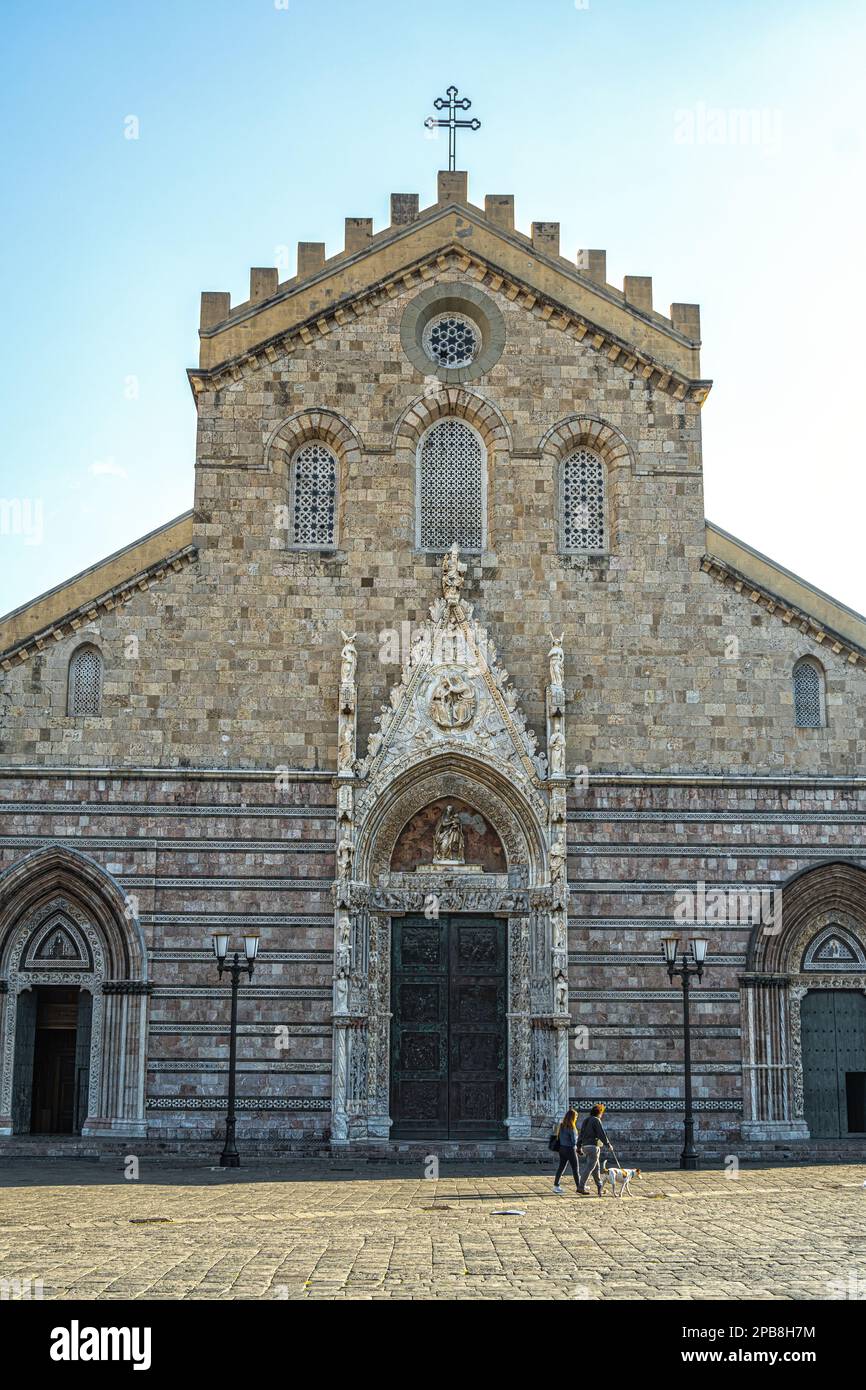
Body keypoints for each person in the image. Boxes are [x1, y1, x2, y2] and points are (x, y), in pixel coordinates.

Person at [578, 1103, 612, 1196]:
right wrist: (608, 1144)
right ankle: (581, 1186)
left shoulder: (586, 1120)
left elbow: (581, 1134)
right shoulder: (596, 1120)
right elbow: (601, 1134)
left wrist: (578, 1146)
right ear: (599, 1112)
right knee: (590, 1167)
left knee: (596, 1167)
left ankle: (599, 1186)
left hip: (585, 1146)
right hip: (593, 1146)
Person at [552, 1108, 582, 1194]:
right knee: (575, 1169)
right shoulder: (571, 1127)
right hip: (570, 1149)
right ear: (573, 1117)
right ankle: (579, 1187)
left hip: (562, 1148)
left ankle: (556, 1186)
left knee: (561, 1167)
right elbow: (574, 1141)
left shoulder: (561, 1125)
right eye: (576, 1117)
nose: (576, 1119)